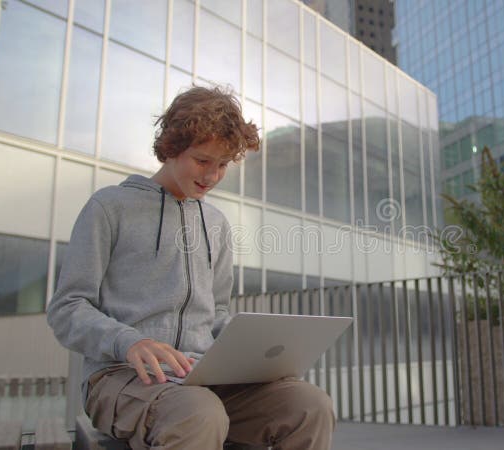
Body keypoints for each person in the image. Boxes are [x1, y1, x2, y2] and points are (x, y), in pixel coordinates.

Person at [47, 85, 334, 450]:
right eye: (202, 161)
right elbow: (67, 307)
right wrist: (128, 341)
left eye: (223, 165)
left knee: (309, 405)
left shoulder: (216, 224)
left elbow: (214, 314)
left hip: (200, 379)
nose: (212, 176)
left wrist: (253, 349)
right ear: (170, 148)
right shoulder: (109, 207)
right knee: (199, 412)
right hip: (121, 376)